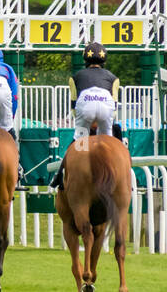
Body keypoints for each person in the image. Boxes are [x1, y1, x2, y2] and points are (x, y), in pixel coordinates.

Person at [51, 42, 124, 189]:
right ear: (104, 60)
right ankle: (125, 175)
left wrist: (86, 124)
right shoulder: (113, 78)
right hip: (106, 107)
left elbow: (74, 107)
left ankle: (60, 176)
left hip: (85, 106)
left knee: (78, 142)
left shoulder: (76, 76)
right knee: (109, 140)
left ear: (85, 59)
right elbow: (114, 108)